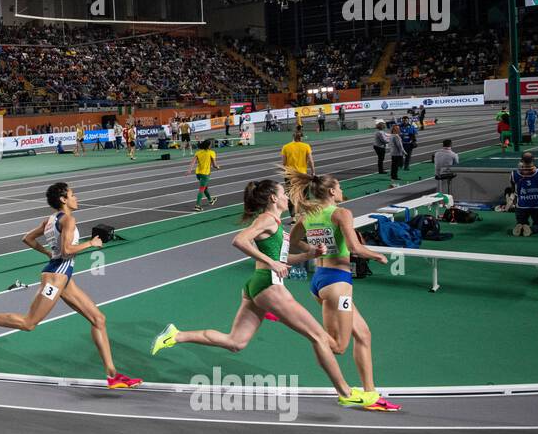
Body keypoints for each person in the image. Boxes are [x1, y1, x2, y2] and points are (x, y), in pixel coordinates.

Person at [150, 180, 383, 409]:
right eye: (283, 194)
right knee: (319, 337)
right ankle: (345, 393)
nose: (287, 197)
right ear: (273, 198)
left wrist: (308, 255)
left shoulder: (276, 223)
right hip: (270, 286)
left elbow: (283, 258)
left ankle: (176, 335)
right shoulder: (267, 219)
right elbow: (239, 240)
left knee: (235, 342)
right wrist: (270, 261)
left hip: (256, 285)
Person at [0, 182, 142, 389]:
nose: (76, 198)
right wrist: (91, 244)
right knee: (28, 323)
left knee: (98, 319)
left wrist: (49, 253)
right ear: (63, 199)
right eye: (72, 194)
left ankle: (112, 375)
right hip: (55, 278)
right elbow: (68, 250)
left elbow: (27, 238)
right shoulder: (68, 219)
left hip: (62, 276)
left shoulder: (50, 220)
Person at [286, 172, 400, 411]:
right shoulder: (341, 213)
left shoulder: (309, 214)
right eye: (339, 187)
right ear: (331, 192)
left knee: (364, 334)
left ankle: (370, 393)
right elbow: (356, 248)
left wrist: (314, 250)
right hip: (339, 285)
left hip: (321, 282)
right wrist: (377, 255)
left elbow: (294, 241)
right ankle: (299, 325)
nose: (341, 190)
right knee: (338, 346)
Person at [511, 152, 538, 236]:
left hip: (521, 205)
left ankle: (521, 225)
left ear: (521, 161)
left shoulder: (514, 174)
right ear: (533, 160)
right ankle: (531, 229)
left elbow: (514, 189)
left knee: (521, 221)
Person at [191, 139, 219, 210]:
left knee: (205, 187)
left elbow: (193, 162)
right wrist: (218, 167)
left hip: (198, 173)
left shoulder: (198, 152)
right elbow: (214, 165)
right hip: (205, 174)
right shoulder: (211, 153)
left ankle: (210, 200)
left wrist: (189, 170)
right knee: (202, 189)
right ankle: (197, 205)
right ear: (208, 146)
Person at [387, 124, 405, 188]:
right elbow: (399, 145)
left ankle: (393, 176)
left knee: (393, 165)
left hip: (392, 152)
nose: (399, 130)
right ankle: (395, 176)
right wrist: (403, 152)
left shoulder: (391, 136)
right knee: (397, 165)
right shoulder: (396, 136)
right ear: (395, 130)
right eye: (398, 129)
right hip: (397, 153)